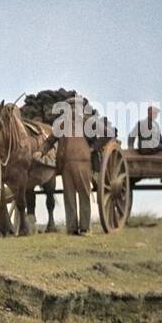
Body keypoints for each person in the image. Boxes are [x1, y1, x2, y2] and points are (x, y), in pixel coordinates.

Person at [43, 95, 94, 235]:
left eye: (75, 107)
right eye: (69, 107)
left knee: (84, 194)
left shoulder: (87, 123)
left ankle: (84, 228)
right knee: (69, 196)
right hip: (66, 165)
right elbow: (50, 141)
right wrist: (41, 152)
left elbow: (106, 134)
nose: (72, 110)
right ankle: (72, 228)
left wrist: (93, 148)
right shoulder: (62, 125)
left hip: (82, 163)